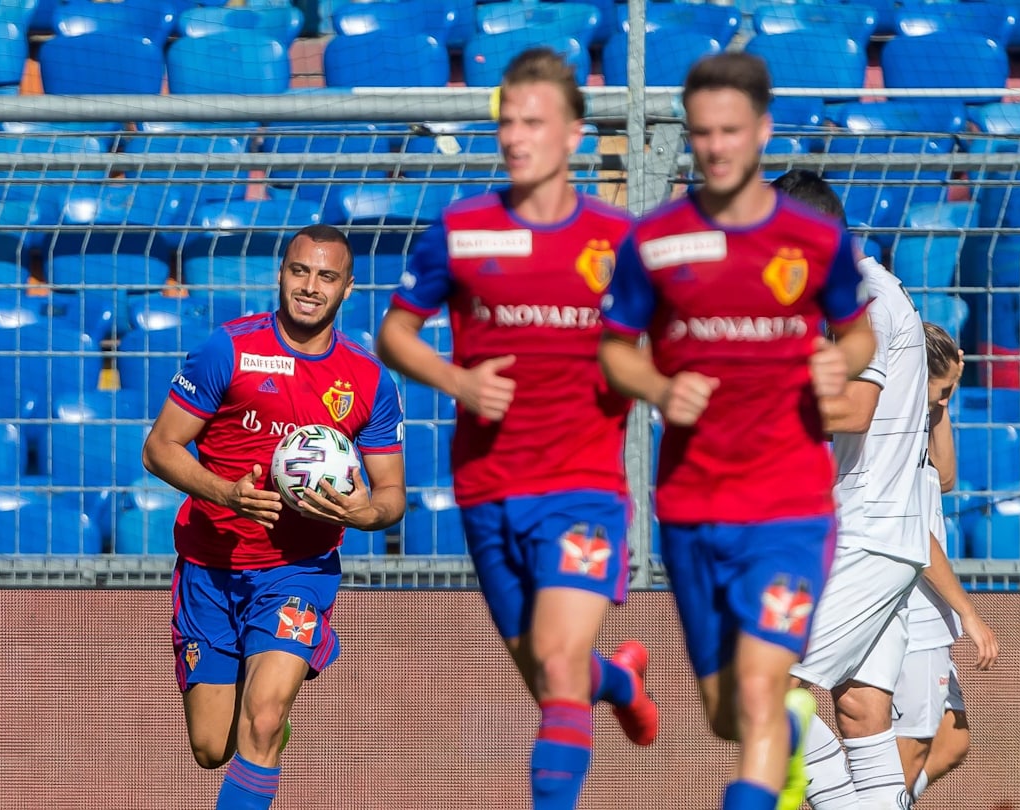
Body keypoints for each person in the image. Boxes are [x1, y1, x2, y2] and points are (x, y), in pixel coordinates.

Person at [375, 46, 658, 810]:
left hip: (583, 489)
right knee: (552, 678)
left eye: (534, 122)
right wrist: (457, 379)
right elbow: (395, 334)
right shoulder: (462, 229)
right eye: (506, 122)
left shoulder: (620, 240)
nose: (514, 136)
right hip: (488, 490)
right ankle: (621, 678)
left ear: (574, 136)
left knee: (559, 670)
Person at [599, 54, 876, 810]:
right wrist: (657, 385)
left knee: (756, 692)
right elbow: (614, 347)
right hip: (692, 510)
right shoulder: (654, 243)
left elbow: (859, 337)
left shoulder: (813, 241)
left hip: (789, 510)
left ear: (762, 130)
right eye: (701, 134)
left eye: (730, 131)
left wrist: (835, 361)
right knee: (729, 713)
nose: (715, 148)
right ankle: (785, 729)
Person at [141, 223, 405, 810]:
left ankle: (270, 715)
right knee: (212, 747)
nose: (310, 287)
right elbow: (159, 448)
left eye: (326, 276)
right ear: (281, 273)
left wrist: (364, 514)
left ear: (348, 287)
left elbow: (391, 493)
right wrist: (226, 494)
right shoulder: (227, 349)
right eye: (300, 271)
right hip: (212, 565)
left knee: (259, 723)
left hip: (297, 571)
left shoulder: (367, 379)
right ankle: (265, 723)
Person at [765, 170, 931, 810]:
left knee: (773, 685)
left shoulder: (862, 296)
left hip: (871, 530)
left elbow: (856, 410)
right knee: (862, 710)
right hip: (885, 528)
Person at [893, 323, 999, 805]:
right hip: (910, 607)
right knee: (906, 752)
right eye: (943, 389)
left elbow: (948, 477)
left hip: (925, 609)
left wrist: (943, 399)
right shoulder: (893, 431)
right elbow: (918, 536)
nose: (946, 399)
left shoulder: (924, 413)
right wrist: (970, 615)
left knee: (954, 740)